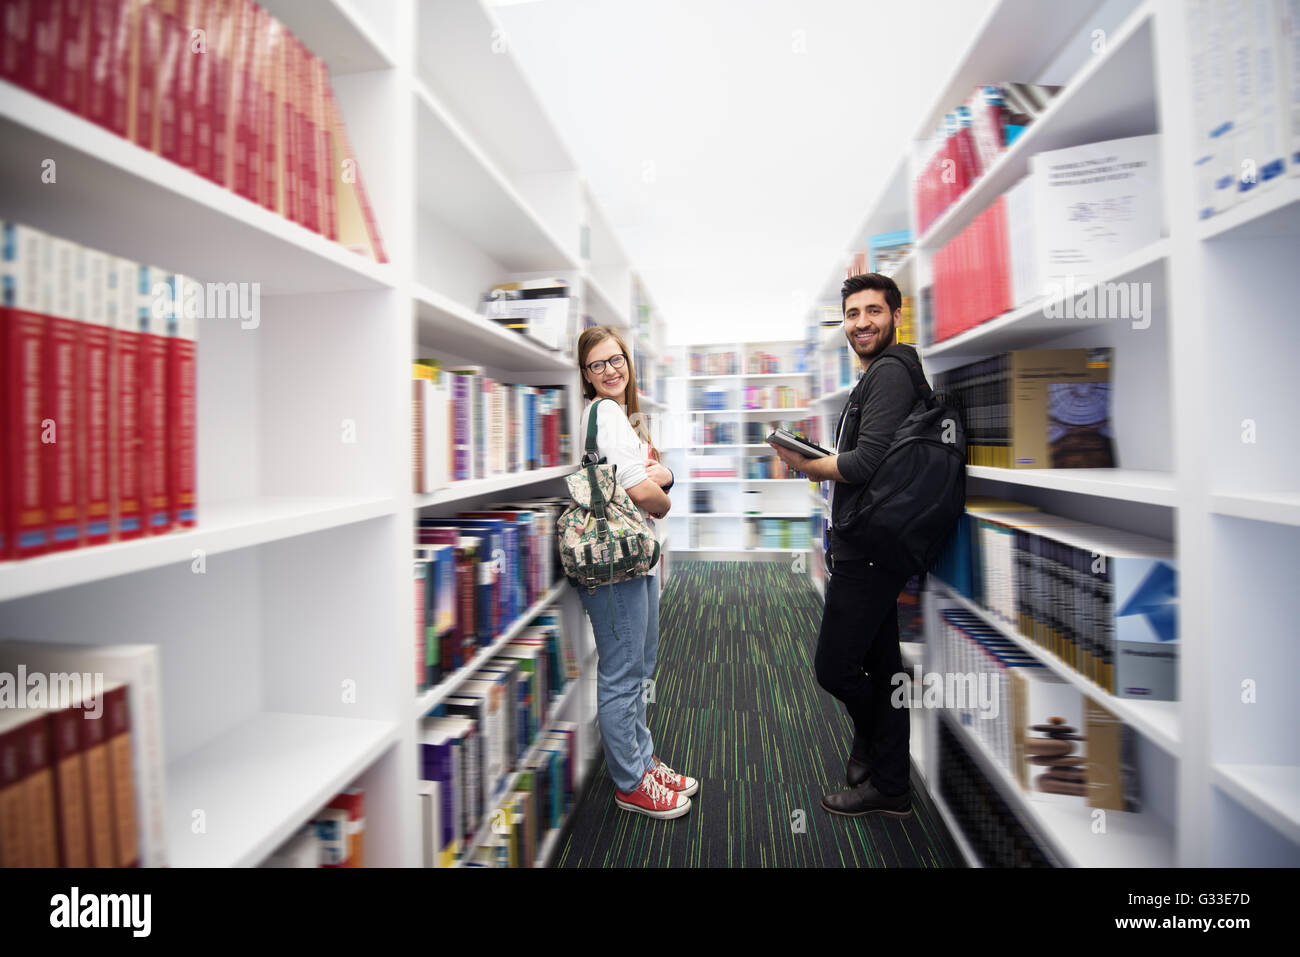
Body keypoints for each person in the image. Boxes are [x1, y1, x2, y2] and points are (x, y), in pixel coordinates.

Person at [769, 273, 922, 818]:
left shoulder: (889, 374)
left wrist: (806, 463)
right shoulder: (879, 374)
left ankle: (879, 756)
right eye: (852, 314)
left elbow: (863, 464)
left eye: (873, 311)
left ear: (895, 315)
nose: (861, 323)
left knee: (834, 667)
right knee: (883, 668)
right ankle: (891, 785)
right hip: (871, 543)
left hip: (870, 550)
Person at [574, 325, 699, 820]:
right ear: (586, 375)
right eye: (597, 364)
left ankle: (643, 762)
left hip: (635, 554)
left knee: (639, 667)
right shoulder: (604, 412)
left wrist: (657, 475)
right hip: (614, 563)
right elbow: (645, 492)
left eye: (617, 359)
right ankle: (631, 783)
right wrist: (665, 488)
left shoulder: (623, 418)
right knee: (624, 672)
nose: (611, 370)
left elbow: (645, 474)